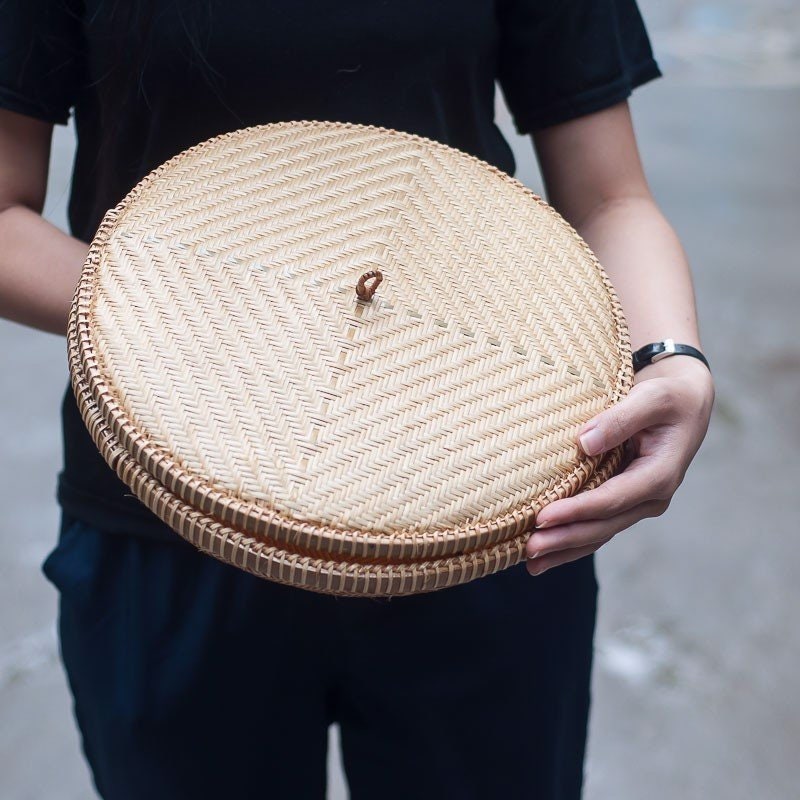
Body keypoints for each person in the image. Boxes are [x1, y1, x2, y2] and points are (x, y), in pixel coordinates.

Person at [0, 1, 715, 798]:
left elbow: (609, 196)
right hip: (168, 518)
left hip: (480, 494)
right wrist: (199, 322)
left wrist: (671, 358)